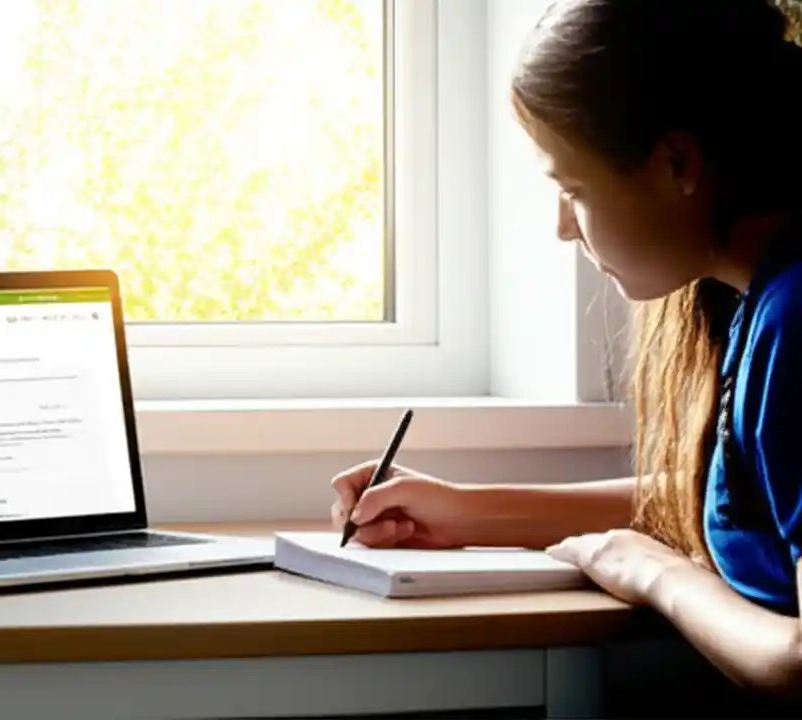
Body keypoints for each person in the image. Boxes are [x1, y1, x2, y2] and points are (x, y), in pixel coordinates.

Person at [330, 0, 802, 706]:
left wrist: (658, 576)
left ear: (677, 162)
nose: (561, 227)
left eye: (572, 189)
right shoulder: (757, 299)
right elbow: (739, 503)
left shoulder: (796, 317)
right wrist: (462, 513)